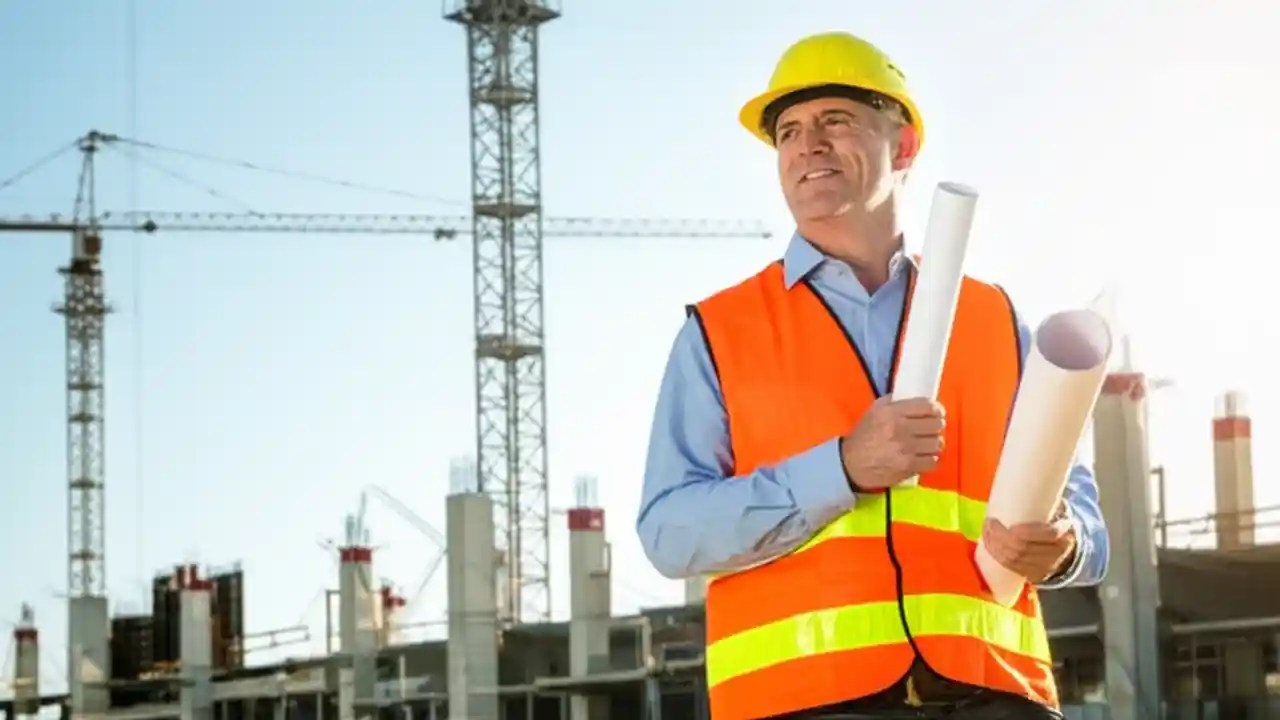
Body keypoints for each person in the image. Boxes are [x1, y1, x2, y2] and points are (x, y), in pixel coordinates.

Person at [635, 31, 1109, 720]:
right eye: (790, 131)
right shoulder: (718, 334)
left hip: (997, 695)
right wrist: (842, 469)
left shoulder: (996, 319)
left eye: (836, 121)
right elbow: (669, 532)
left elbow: (1087, 515)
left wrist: (1063, 545)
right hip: (804, 704)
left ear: (904, 146)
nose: (808, 146)